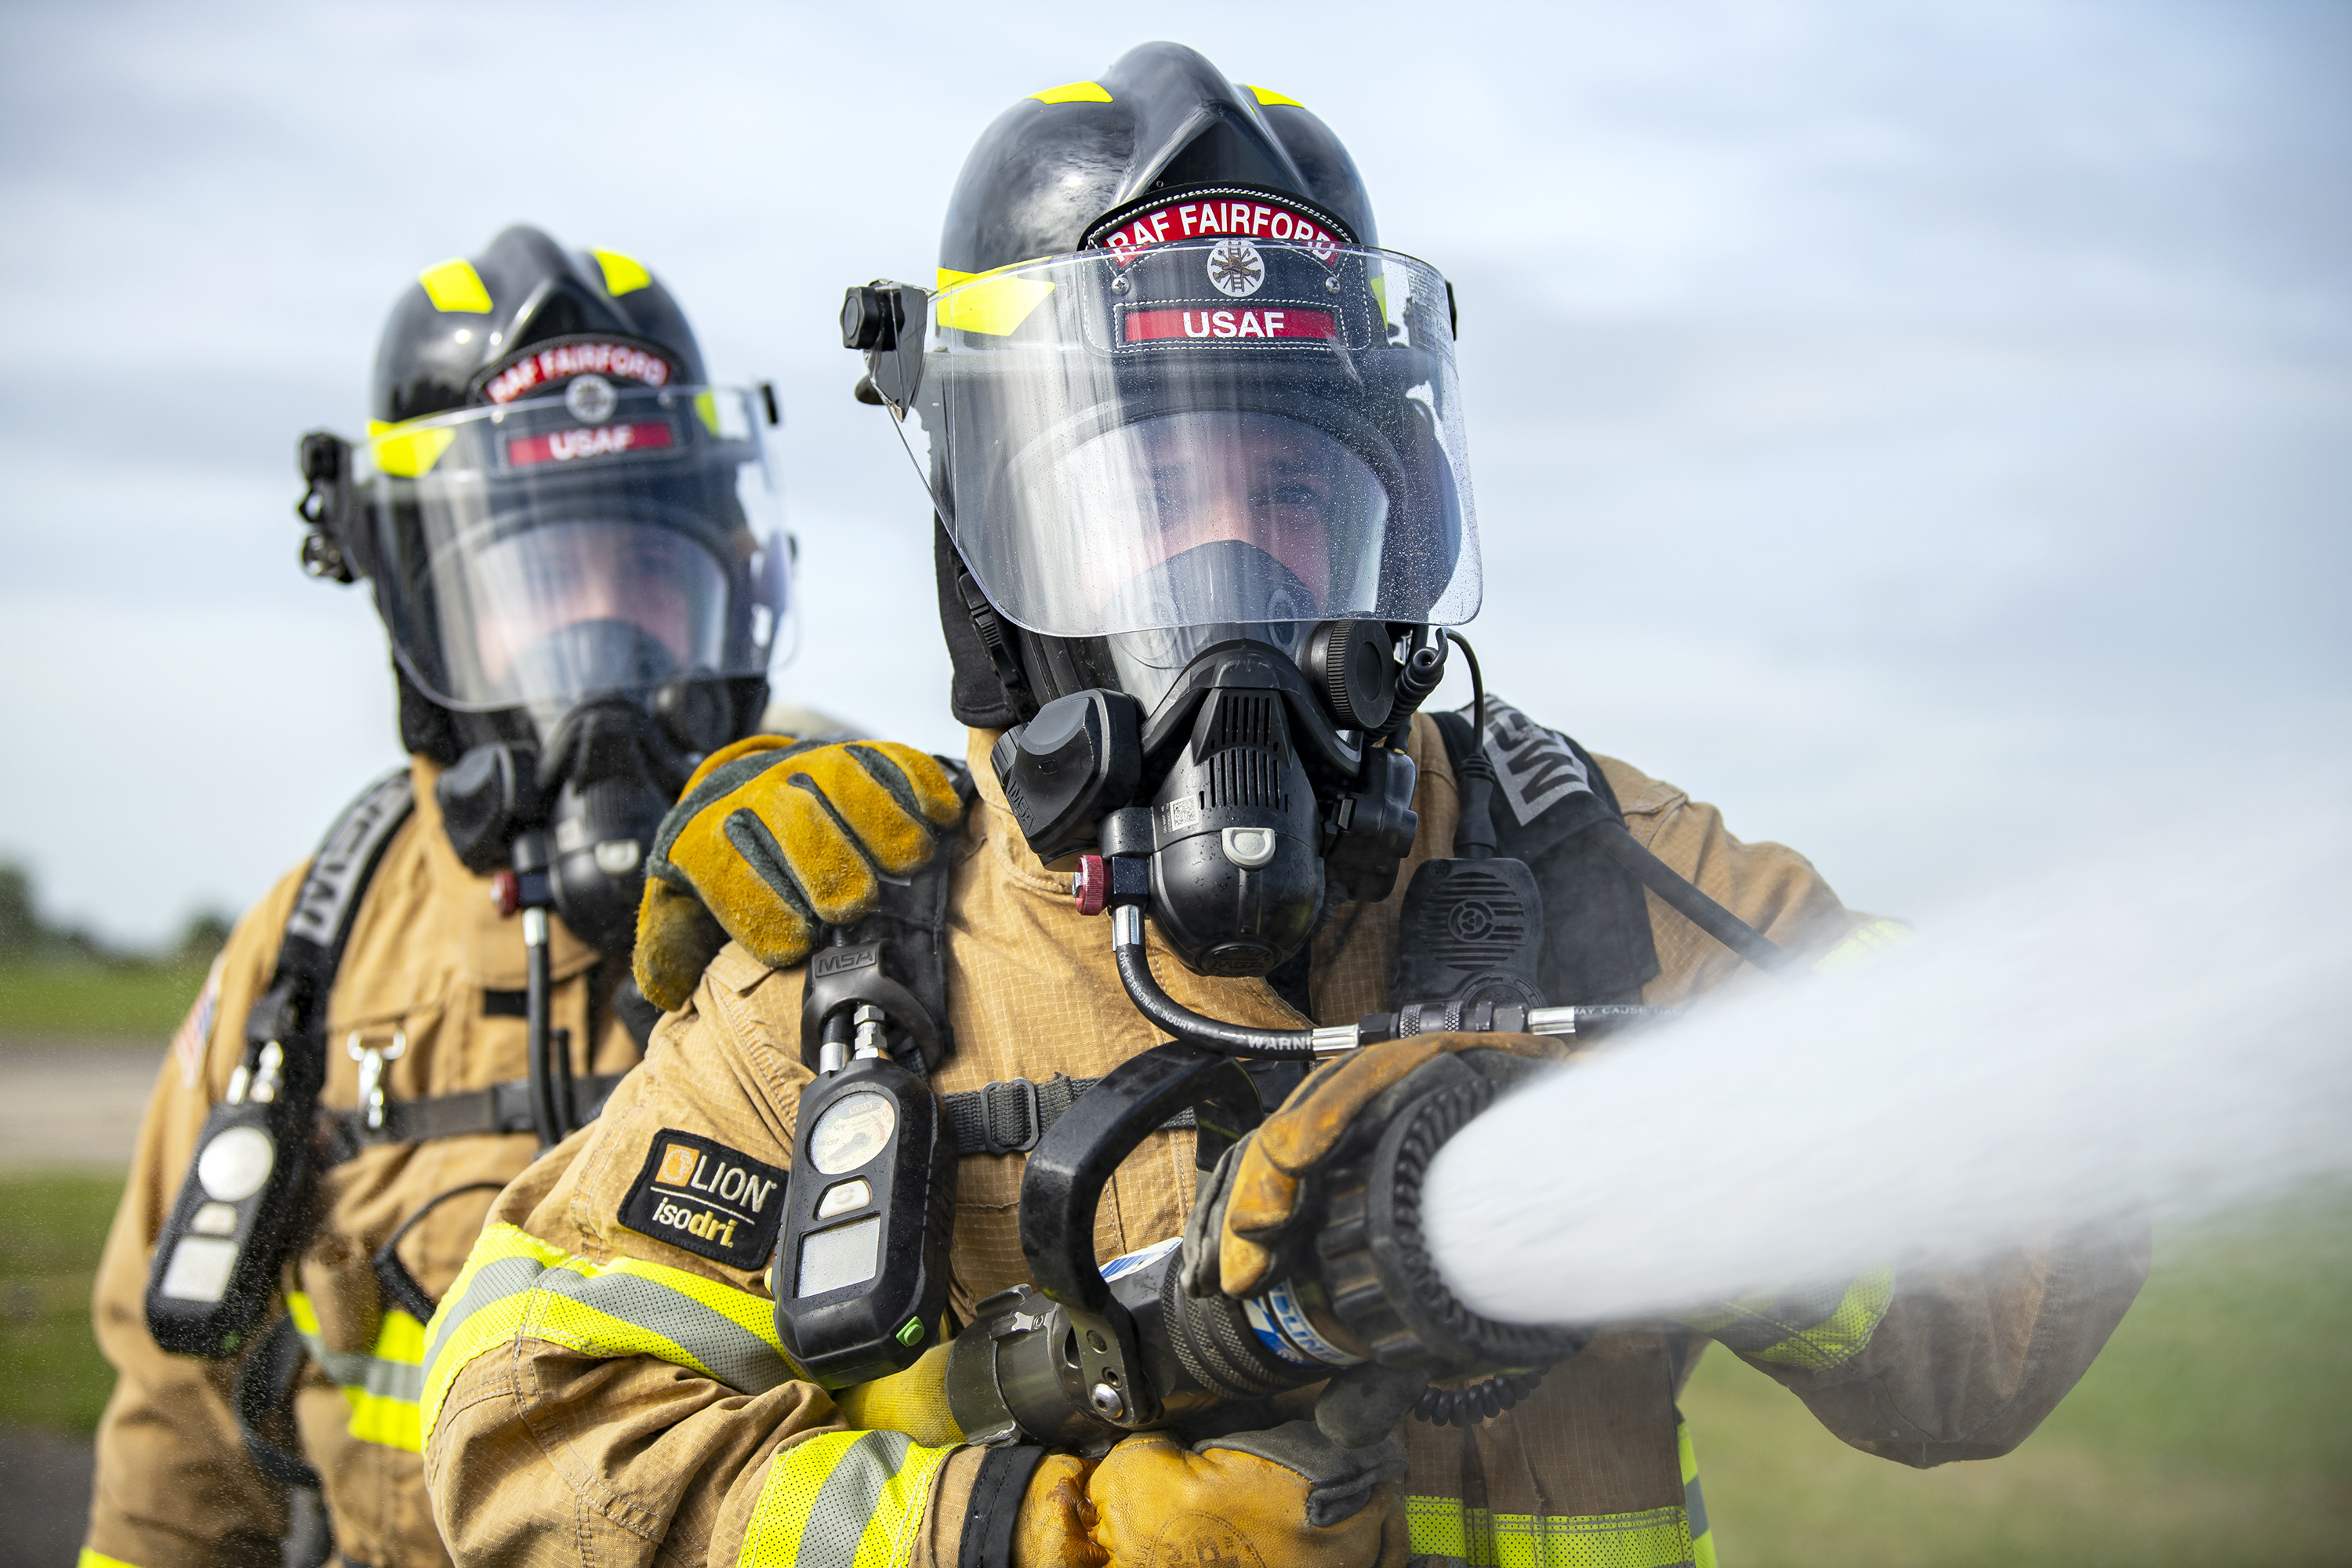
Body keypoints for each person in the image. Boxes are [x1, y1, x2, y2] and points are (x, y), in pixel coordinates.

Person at [420, 49, 2148, 1568]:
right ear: (998, 570)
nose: (1228, 597)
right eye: (1146, 500)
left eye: (1289, 496)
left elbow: (2011, 1287)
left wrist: (1645, 1149)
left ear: (1390, 536)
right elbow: (521, 1423)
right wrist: (1025, 1536)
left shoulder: (1598, 875)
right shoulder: (876, 958)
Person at [82, 225, 958, 1568]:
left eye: (645, 585)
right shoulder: (309, 954)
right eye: (534, 595)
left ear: (735, 582)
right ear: (418, 628)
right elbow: (178, 1448)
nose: (601, 665)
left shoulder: (860, 867)